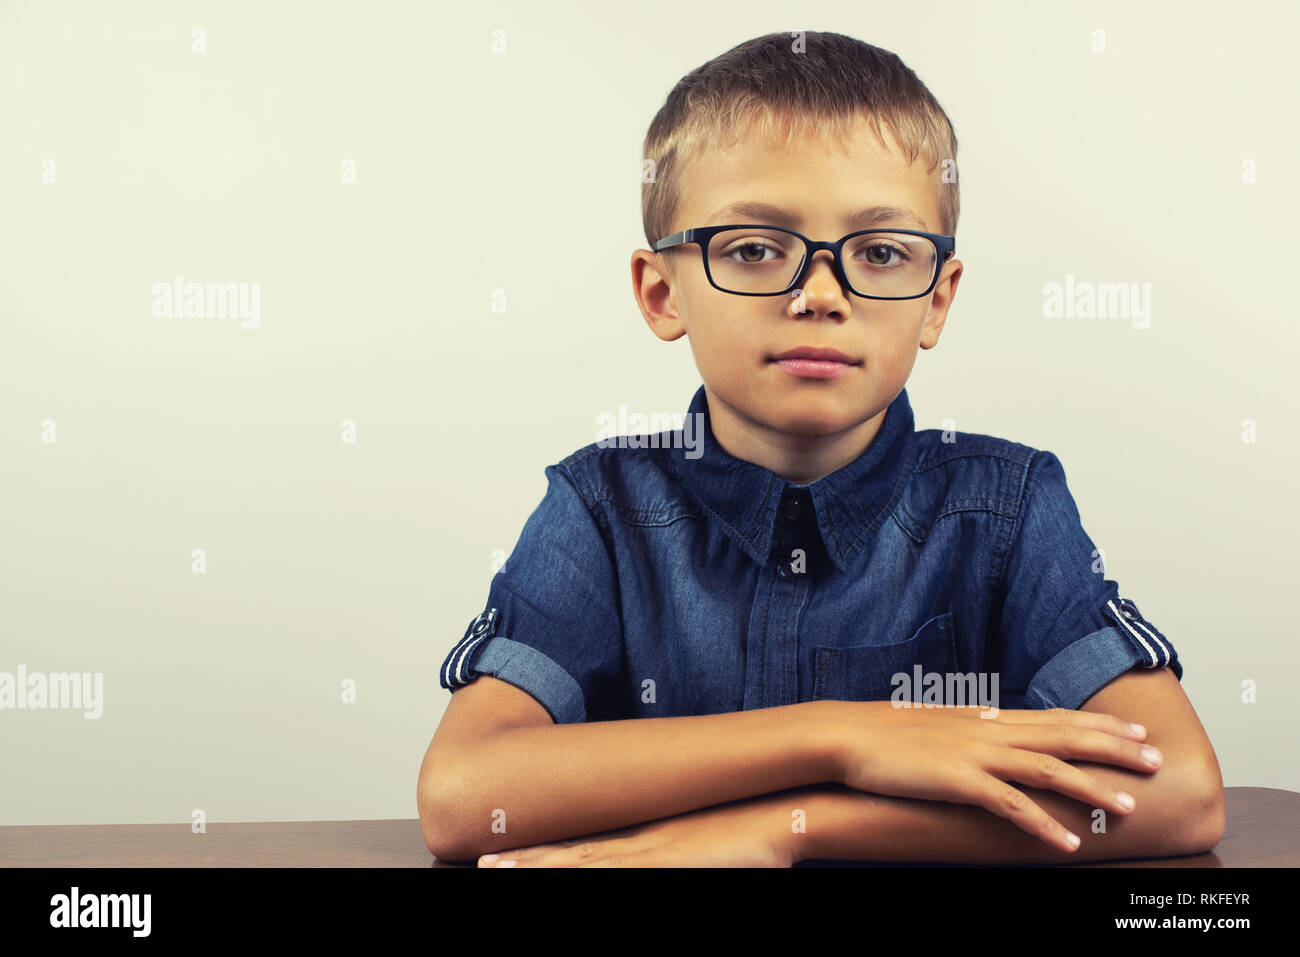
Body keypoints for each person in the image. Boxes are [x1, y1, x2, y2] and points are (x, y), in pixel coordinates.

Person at [416, 30, 1224, 867]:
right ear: (662, 293)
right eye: (756, 249)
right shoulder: (599, 509)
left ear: (937, 300)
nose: (820, 294)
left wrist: (785, 828)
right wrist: (842, 736)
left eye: (880, 253)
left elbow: (1183, 791)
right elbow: (464, 795)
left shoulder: (1008, 507)